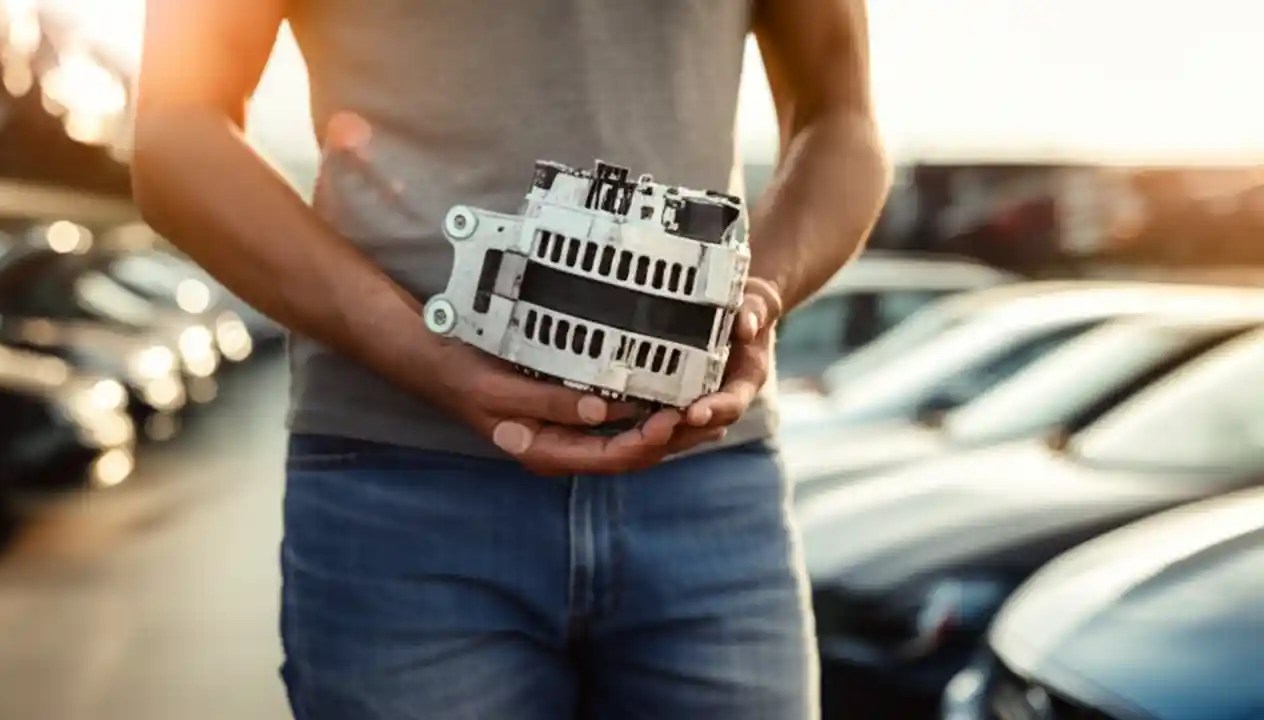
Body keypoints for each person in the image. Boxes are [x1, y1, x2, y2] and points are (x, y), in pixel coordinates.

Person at [133, 1, 888, 718]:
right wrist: (418, 352)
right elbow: (174, 130)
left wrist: (758, 295)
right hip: (398, 480)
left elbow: (841, 117)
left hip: (708, 480)